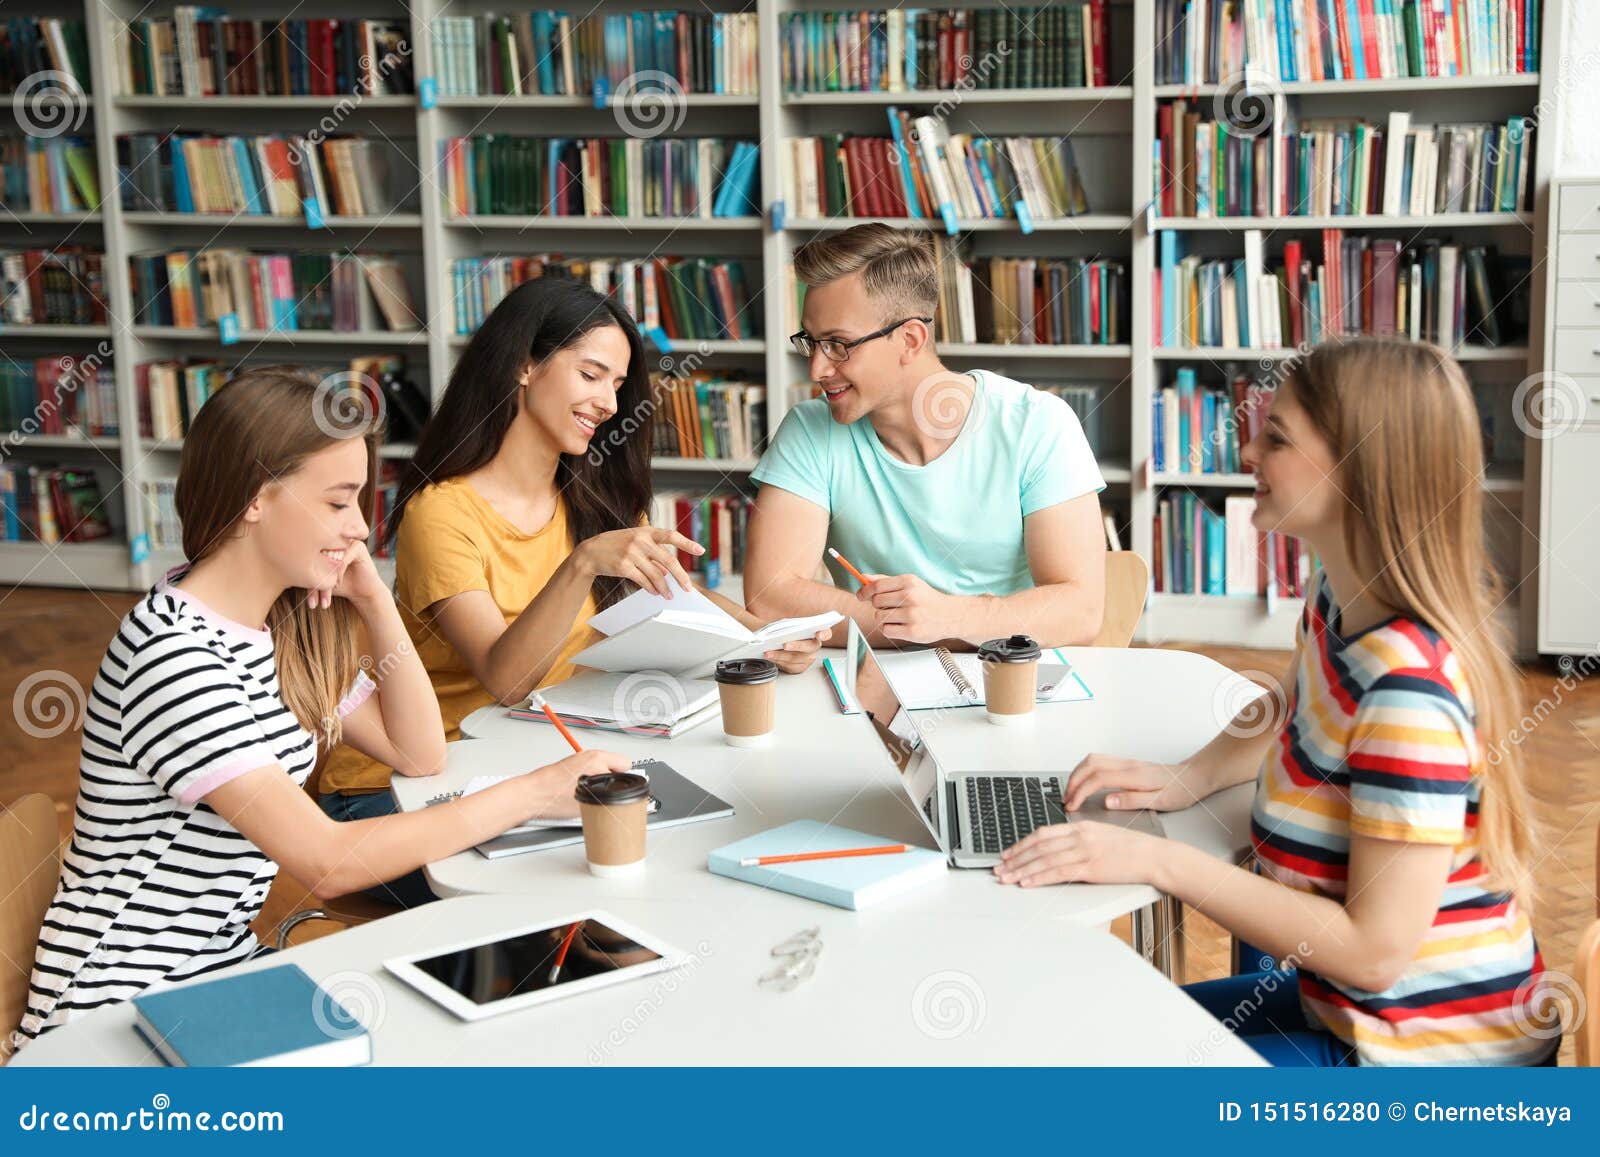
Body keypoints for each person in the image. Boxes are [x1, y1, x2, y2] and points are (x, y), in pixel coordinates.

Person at [12, 368, 629, 1052]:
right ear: (255, 498)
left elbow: (419, 753)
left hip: (215, 973)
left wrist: (375, 600)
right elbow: (329, 864)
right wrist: (534, 793)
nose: (360, 526)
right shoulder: (175, 659)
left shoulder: (277, 629)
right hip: (113, 1017)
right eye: (337, 502)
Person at [996, 339, 1552, 1066]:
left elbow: (1374, 953)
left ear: (1360, 471)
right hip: (1346, 1011)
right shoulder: (1340, 599)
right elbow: (1293, 700)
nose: (1248, 450)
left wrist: (1155, 860)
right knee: (1098, 1045)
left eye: (1278, 438)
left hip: (1423, 1057)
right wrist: (1186, 776)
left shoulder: (1408, 692)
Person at [317, 277, 823, 905]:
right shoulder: (441, 514)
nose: (608, 402)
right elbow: (508, 680)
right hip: (397, 790)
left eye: (618, 384)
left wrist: (764, 635)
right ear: (525, 365)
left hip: (523, 762)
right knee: (597, 895)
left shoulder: (591, 495)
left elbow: (675, 591)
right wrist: (581, 565)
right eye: (591, 374)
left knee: (682, 846)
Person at [743, 223, 1107, 648]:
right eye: (812, 342)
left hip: (1006, 676)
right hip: (875, 679)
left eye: (839, 344)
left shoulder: (1037, 424)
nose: (817, 369)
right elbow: (770, 597)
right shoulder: (809, 430)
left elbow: (1079, 611)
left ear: (910, 339)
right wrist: (926, 626)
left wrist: (947, 618)